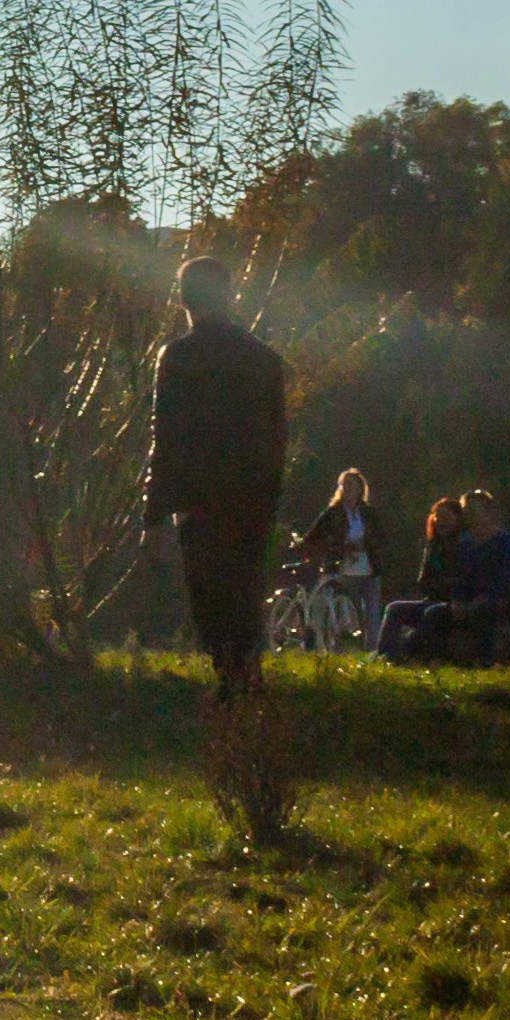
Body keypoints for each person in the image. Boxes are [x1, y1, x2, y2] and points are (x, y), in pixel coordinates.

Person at [140, 257, 292, 701]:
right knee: (245, 591)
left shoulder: (179, 357)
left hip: (200, 501)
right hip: (251, 499)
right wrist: (270, 496)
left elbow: (165, 437)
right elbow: (278, 437)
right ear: (229, 294)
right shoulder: (263, 359)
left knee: (210, 597)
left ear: (183, 297)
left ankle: (233, 683)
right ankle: (246, 683)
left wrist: (154, 513)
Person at [292, 469, 385, 651]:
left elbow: (381, 538)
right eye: (346, 484)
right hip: (342, 569)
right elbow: (315, 536)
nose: (349, 488)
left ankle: (372, 652)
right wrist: (340, 547)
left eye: (353, 484)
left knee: (371, 615)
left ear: (360, 488)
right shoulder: (333, 513)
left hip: (369, 569)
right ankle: (339, 649)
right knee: (347, 613)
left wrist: (366, 545)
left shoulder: (368, 513)